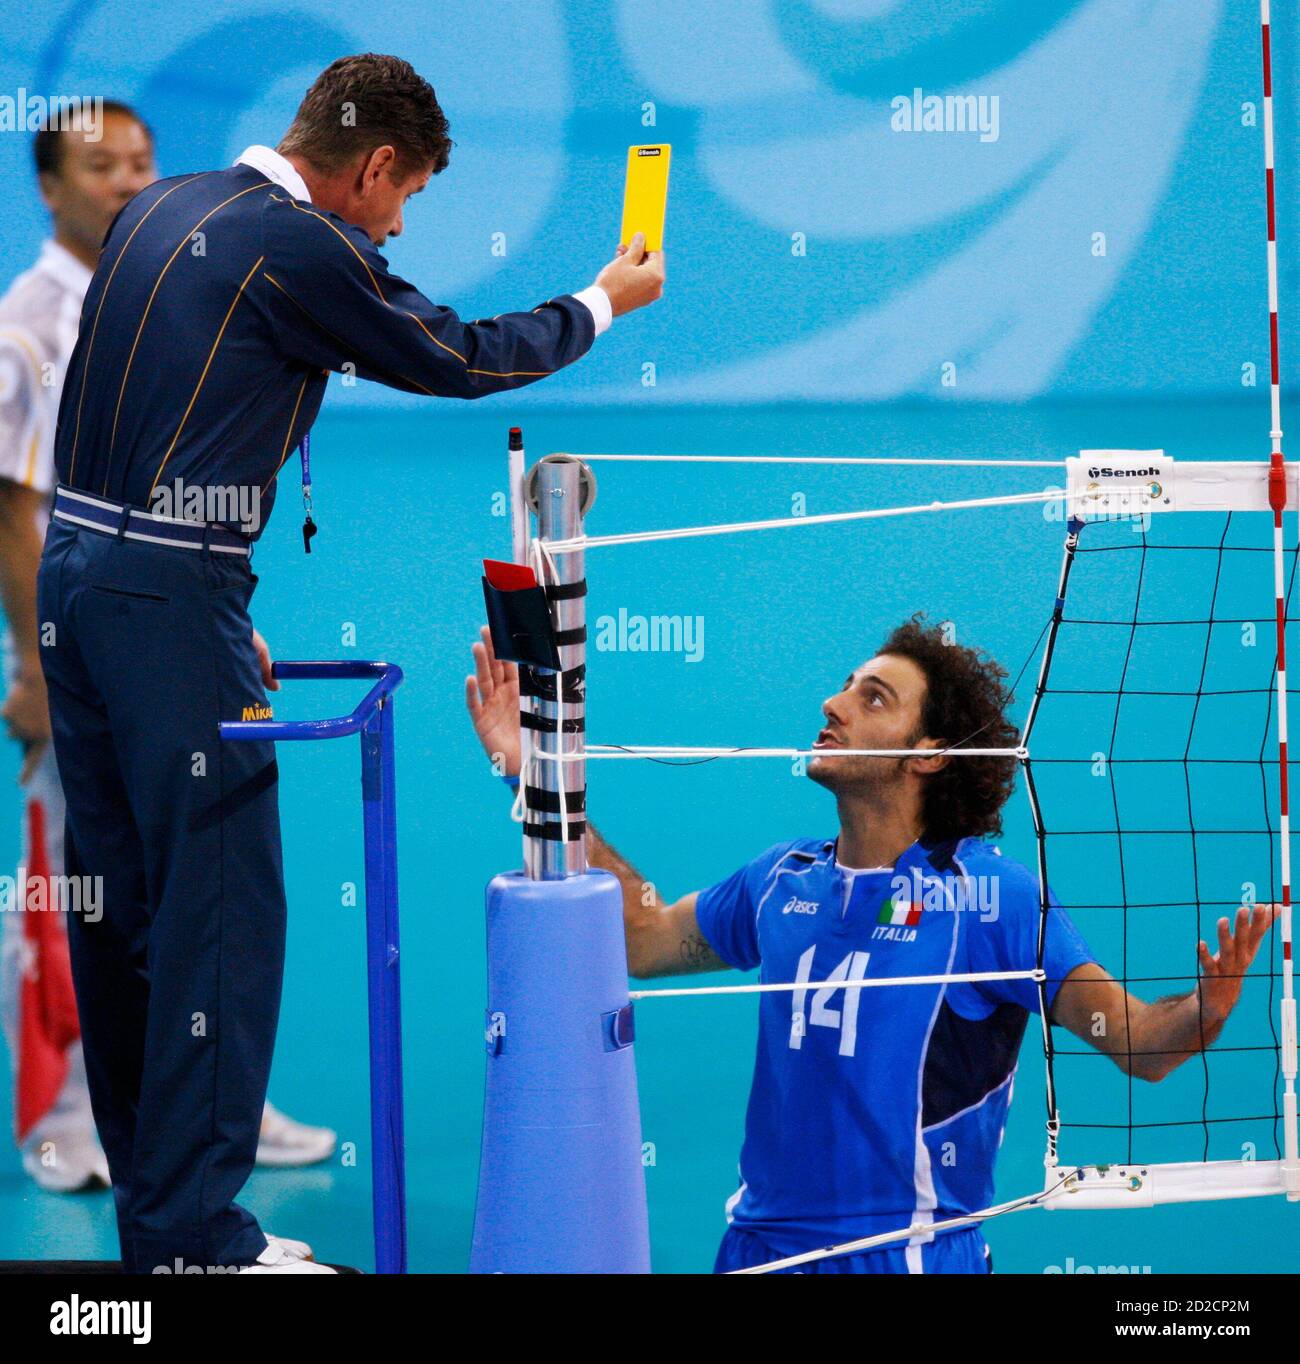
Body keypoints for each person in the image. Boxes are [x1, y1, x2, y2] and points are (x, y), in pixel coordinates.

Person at [37, 52, 664, 1275]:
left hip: (87, 575)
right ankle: (201, 1243)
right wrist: (602, 301)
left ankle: (156, 1227)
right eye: (406, 196)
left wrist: (195, 579)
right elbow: (461, 355)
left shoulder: (162, 206)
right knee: (221, 911)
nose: (395, 223)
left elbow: (141, 401)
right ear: (374, 164)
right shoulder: (302, 246)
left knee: (123, 909)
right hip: (163, 597)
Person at [466, 614, 1275, 1274]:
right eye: (847, 686)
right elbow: (639, 938)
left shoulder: (987, 900)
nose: (835, 703)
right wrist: (528, 770)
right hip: (756, 1252)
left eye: (873, 698)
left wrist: (1205, 1007)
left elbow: (1140, 1043)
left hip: (904, 1256)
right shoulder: (778, 881)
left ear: (927, 756)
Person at [0, 102, 336, 1200]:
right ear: (49, 187)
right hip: (84, 650)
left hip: (162, 628)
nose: (127, 182)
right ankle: (60, 1113)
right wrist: (38, 666)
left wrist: (213, 619)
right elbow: (12, 513)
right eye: (100, 167)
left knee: (195, 886)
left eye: (142, 161)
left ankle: (205, 1120)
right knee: (84, 889)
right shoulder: (27, 325)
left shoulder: (159, 277)